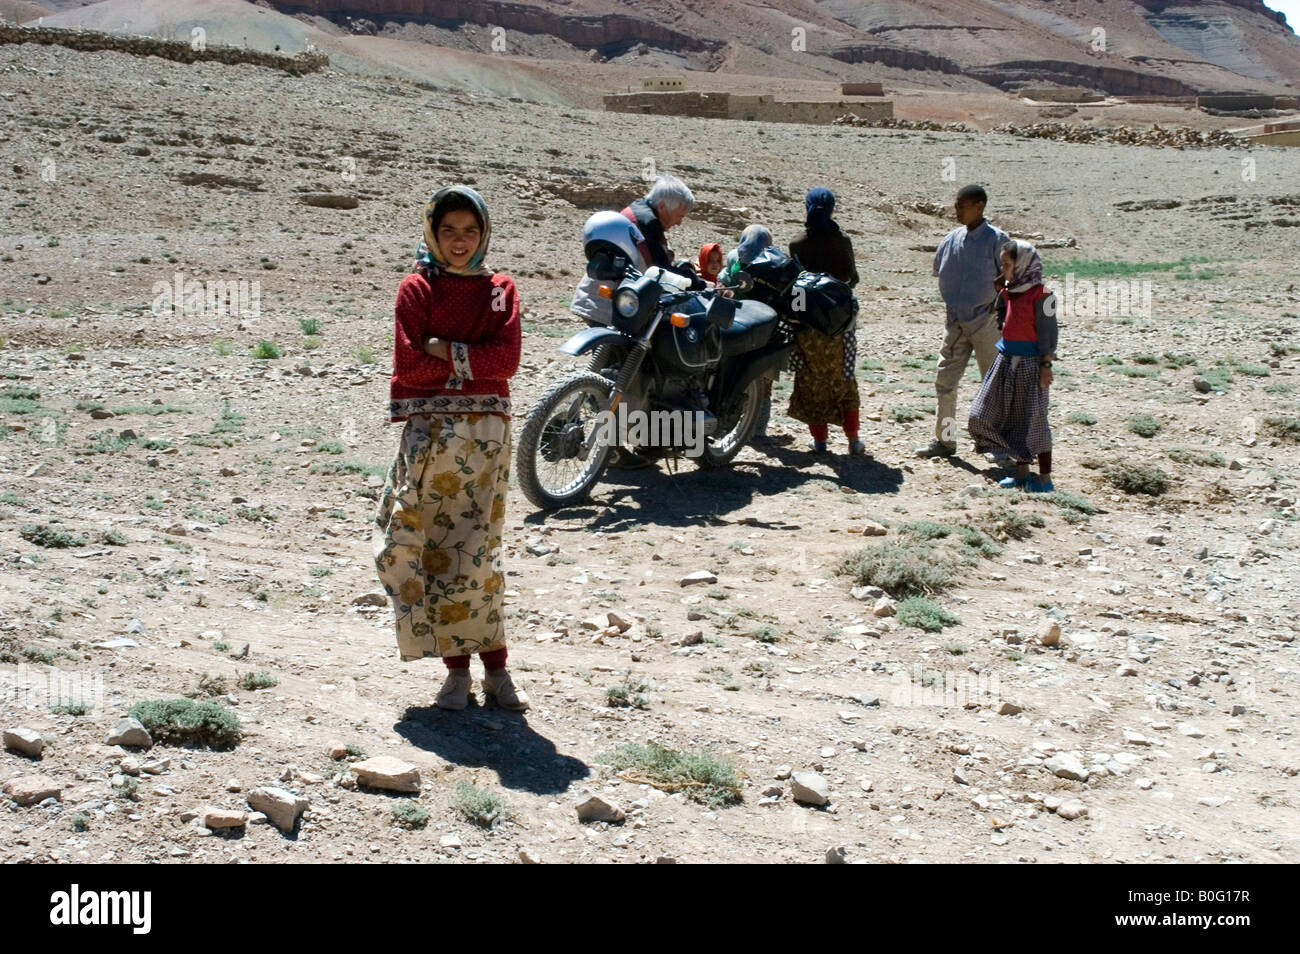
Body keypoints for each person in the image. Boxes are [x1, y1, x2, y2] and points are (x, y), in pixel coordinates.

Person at [373, 185, 527, 712]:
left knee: (478, 554)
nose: (459, 242)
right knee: (425, 548)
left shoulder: (500, 290)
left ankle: (498, 673)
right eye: (448, 231)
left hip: (484, 438)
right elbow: (408, 366)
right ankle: (454, 674)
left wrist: (442, 349)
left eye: (469, 231)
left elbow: (505, 363)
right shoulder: (416, 289)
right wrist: (468, 357)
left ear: (483, 234)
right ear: (432, 234)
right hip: (428, 437)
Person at [917, 184, 1008, 459]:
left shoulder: (998, 240)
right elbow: (940, 273)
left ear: (979, 206)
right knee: (945, 382)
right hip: (955, 324)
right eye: (956, 206)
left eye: (962, 206)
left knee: (992, 385)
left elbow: (1009, 280)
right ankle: (944, 442)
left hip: (987, 322)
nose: (956, 212)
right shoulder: (950, 239)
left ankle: (995, 444)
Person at [968, 239, 1057, 491]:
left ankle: (1044, 480)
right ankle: (1020, 476)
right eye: (1003, 264)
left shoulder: (1044, 296)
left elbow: (1049, 334)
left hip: (1032, 364)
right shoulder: (1009, 292)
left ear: (1023, 264)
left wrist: (1046, 366)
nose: (1004, 269)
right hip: (1005, 360)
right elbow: (1001, 318)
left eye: (1007, 264)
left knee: (1033, 419)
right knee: (988, 415)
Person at [788, 187, 864, 455]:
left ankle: (820, 442)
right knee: (844, 379)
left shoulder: (797, 243)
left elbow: (794, 287)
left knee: (811, 381)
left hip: (808, 325)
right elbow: (852, 278)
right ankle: (854, 441)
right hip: (840, 324)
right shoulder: (841, 240)